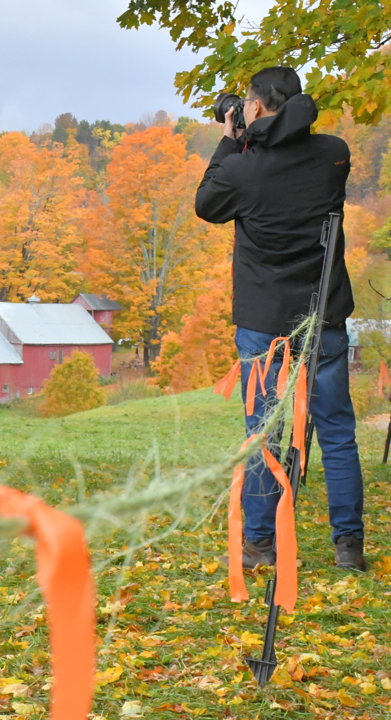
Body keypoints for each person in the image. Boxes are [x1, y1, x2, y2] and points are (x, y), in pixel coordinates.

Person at [196, 66, 366, 572]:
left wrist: (231, 142)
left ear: (255, 107)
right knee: (336, 430)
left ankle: (259, 543)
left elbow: (208, 204)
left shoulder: (243, 169)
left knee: (264, 432)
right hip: (324, 314)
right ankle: (348, 547)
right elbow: (298, 142)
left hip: (264, 321)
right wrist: (258, 131)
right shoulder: (334, 155)